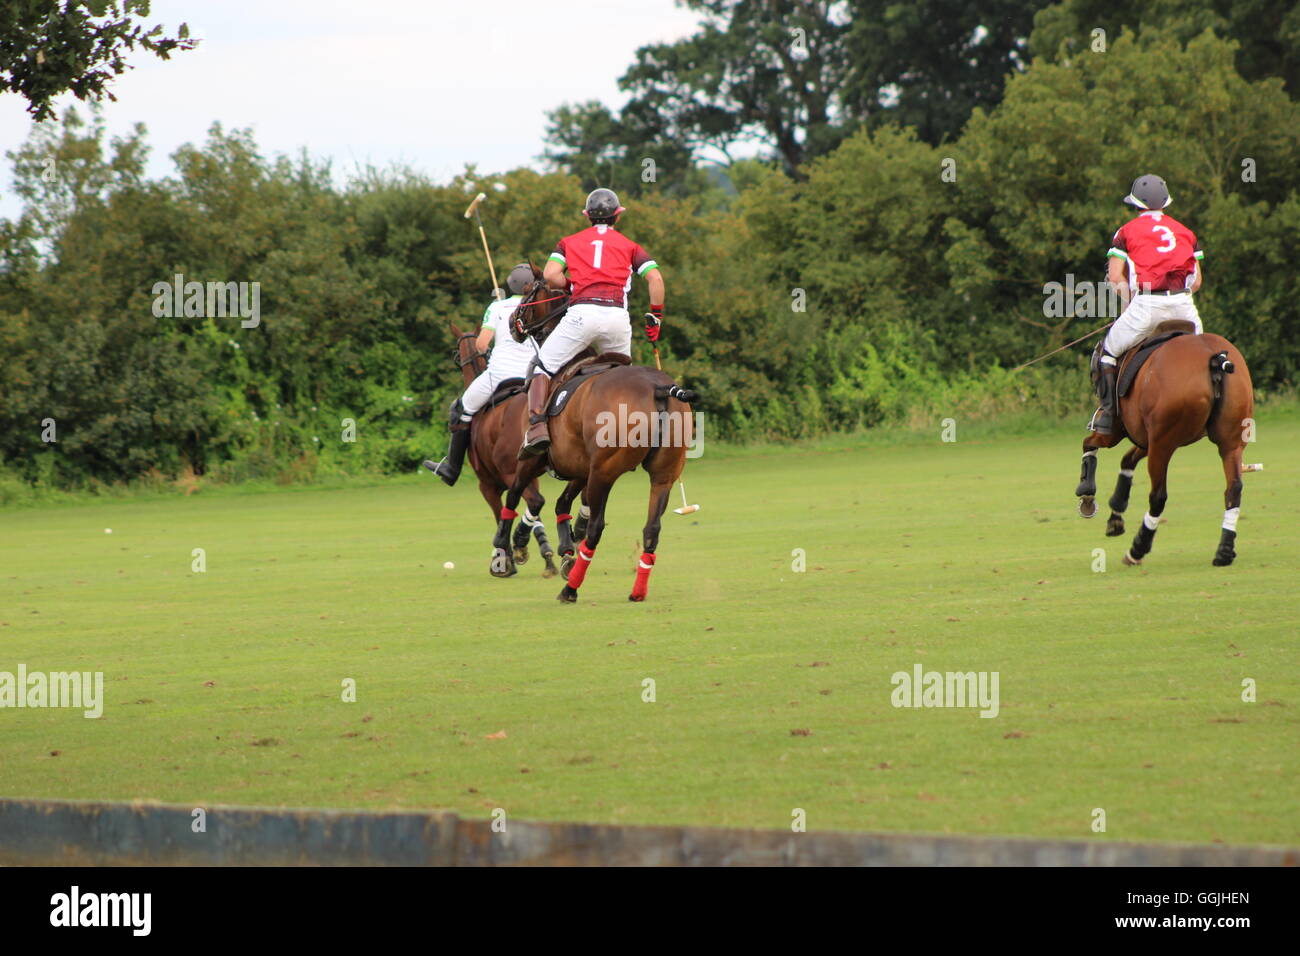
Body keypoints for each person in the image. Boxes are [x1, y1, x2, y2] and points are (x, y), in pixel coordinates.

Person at [518, 187, 664, 458]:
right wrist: (656, 316)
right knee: (623, 378)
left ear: (587, 216)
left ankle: (537, 427)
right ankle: (637, 435)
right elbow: (655, 279)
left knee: (541, 366)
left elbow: (550, 275)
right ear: (617, 216)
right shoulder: (630, 245)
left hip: (582, 314)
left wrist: (571, 283)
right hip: (617, 317)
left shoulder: (568, 242)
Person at [1091, 174, 1204, 434]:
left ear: (1136, 205)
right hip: (1185, 308)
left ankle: (1108, 418)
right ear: (1165, 203)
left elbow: (1116, 276)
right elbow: (1196, 281)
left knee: (1106, 354)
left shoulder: (1126, 232)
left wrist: (1132, 303)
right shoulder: (1185, 232)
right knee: (1207, 358)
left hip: (1147, 306)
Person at [426, 263, 537, 486]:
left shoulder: (497, 307)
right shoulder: (540, 304)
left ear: (511, 284)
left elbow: (481, 344)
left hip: (500, 375)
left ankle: (451, 469)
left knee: (461, 409)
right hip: (535, 375)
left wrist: (488, 346)